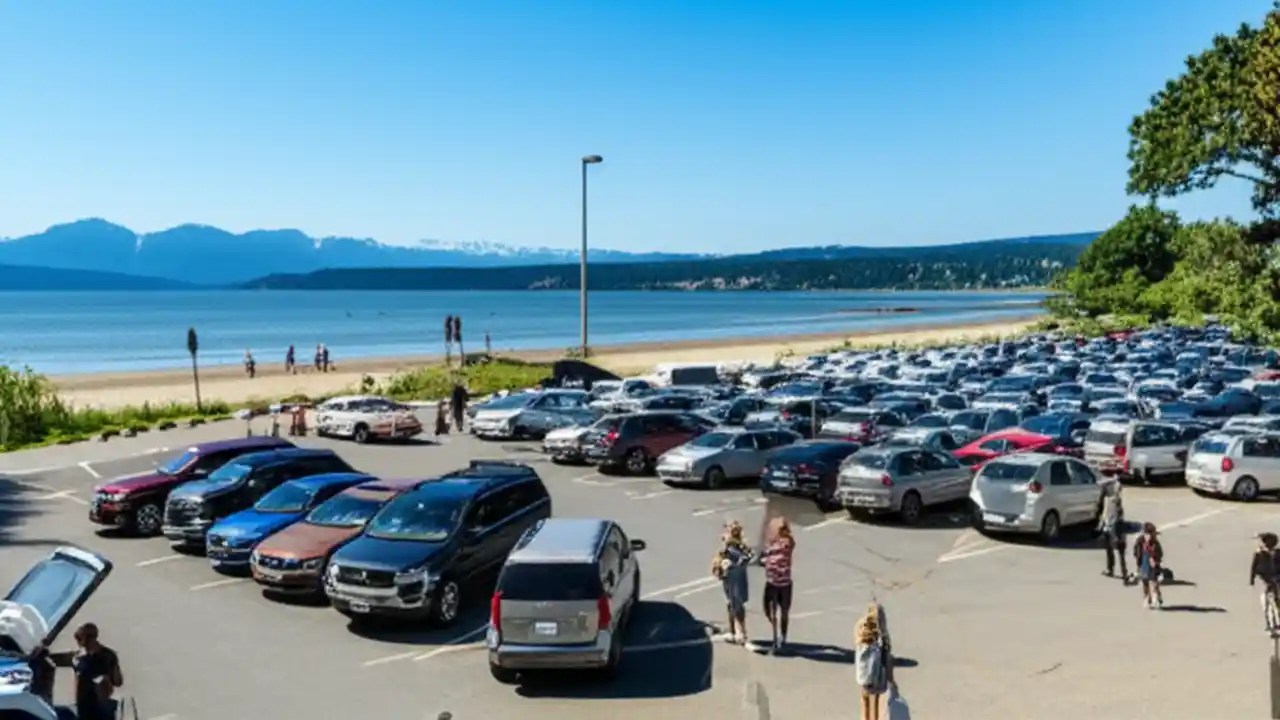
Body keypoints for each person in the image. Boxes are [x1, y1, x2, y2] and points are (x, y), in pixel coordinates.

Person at [40, 623, 122, 720]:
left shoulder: (108, 656)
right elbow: (54, 660)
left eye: (79, 638)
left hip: (101, 708)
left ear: (92, 638)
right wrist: (42, 651)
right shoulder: (78, 657)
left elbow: (118, 681)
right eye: (77, 638)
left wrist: (104, 680)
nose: (78, 641)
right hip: (83, 708)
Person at [711, 520, 754, 645]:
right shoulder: (728, 545)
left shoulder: (738, 546)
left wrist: (734, 564)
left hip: (736, 578)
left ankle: (741, 632)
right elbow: (720, 558)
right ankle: (733, 631)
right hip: (729, 578)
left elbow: (749, 556)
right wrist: (720, 567)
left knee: (737, 605)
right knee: (731, 603)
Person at [761, 515, 796, 653]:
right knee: (771, 611)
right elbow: (765, 557)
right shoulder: (772, 545)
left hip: (783, 584)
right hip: (772, 582)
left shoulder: (787, 543)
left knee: (784, 612)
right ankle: (776, 636)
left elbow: (791, 543)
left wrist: (786, 530)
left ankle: (781, 637)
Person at [855, 604, 891, 720]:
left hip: (863, 674)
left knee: (864, 699)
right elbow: (886, 653)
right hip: (877, 675)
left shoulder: (861, 634)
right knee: (875, 699)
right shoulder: (881, 635)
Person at [1251, 532, 1280, 636]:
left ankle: (1274, 623)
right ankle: (1270, 624)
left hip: (1275, 580)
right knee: (1267, 603)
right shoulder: (1260, 554)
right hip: (1265, 580)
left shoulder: (1276, 553)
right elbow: (1254, 567)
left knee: (1275, 602)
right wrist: (1252, 578)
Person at [1098, 482, 1128, 581]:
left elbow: (1112, 515)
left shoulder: (1112, 500)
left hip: (1113, 527)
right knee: (1116, 550)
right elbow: (1105, 515)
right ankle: (1122, 571)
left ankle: (1116, 570)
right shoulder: (1110, 500)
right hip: (1113, 527)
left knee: (1115, 549)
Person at [1133, 522, 1165, 609]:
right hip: (1144, 563)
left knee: (1154, 582)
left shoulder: (1155, 543)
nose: (1149, 536)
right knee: (1145, 582)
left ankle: (1157, 597)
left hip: (1153, 565)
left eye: (1151, 533)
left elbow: (1160, 553)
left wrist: (1156, 560)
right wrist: (1138, 560)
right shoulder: (1140, 541)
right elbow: (1136, 551)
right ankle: (1147, 598)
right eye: (1147, 533)